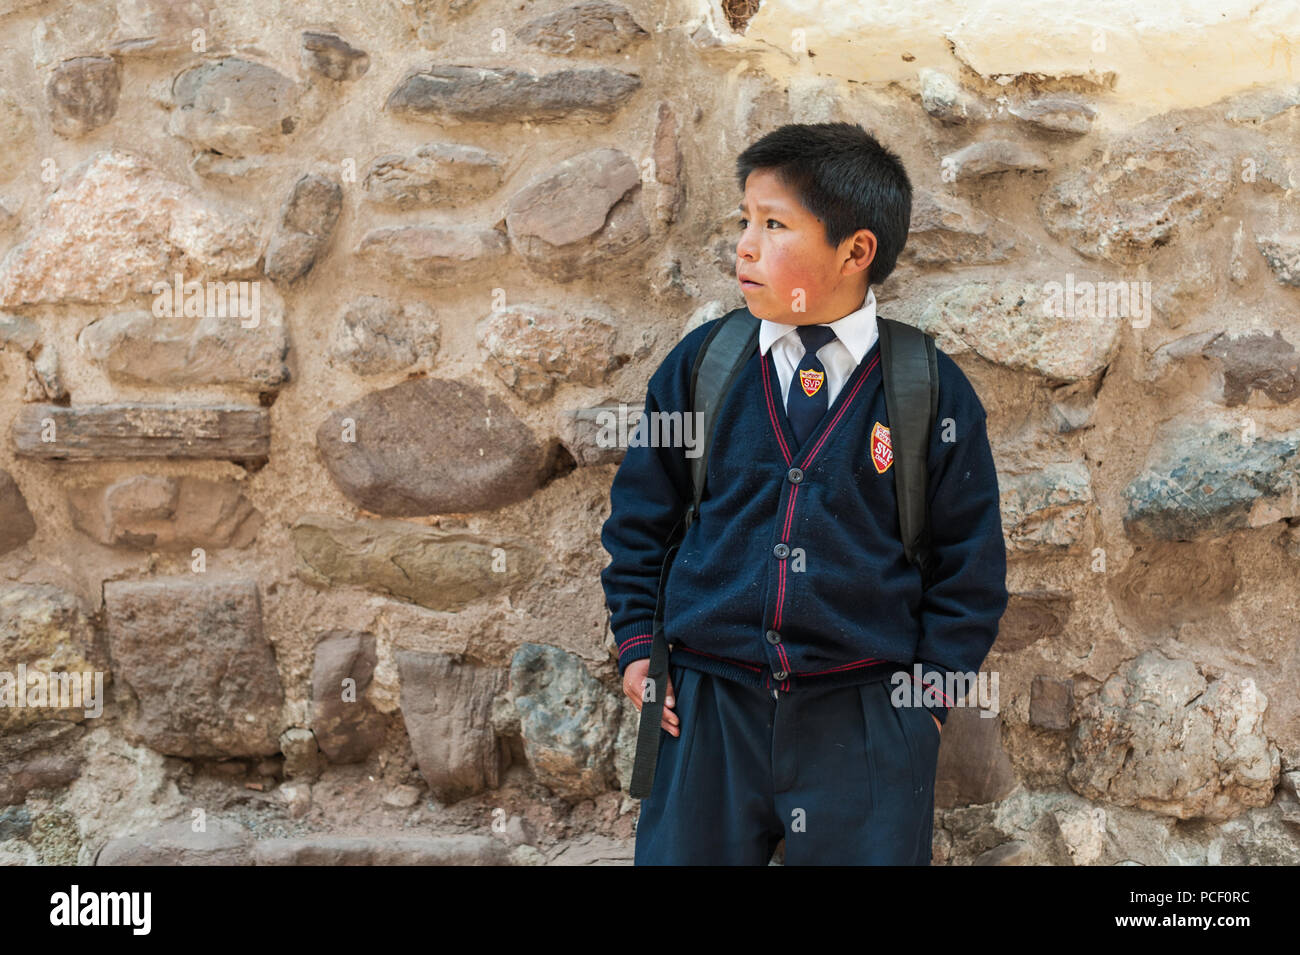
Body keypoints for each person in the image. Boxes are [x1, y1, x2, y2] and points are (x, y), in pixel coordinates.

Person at [599, 121, 1009, 865]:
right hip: (703, 714)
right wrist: (636, 645)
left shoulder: (926, 389)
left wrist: (925, 710)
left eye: (774, 224)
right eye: (745, 221)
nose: (745, 246)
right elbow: (639, 520)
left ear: (855, 252)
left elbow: (970, 568)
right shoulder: (703, 367)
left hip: (866, 723)